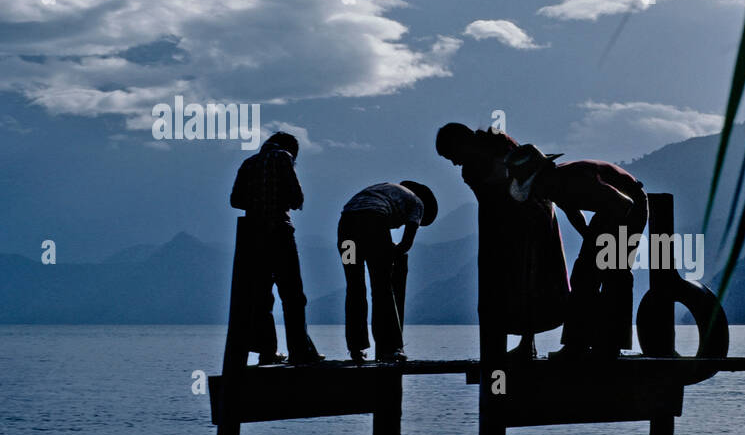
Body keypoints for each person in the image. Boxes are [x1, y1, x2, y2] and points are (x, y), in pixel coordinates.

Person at [435, 123, 569, 359]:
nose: (454, 163)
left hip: (524, 222)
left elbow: (503, 195)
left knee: (528, 279)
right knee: (520, 282)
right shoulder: (492, 152)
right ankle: (526, 344)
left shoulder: (493, 151)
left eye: (452, 156)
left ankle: (527, 344)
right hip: (518, 221)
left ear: (461, 144)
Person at [505, 145, 647, 357]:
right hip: (608, 211)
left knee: (615, 275)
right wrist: (589, 238)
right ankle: (576, 345)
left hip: (629, 208)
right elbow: (574, 213)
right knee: (583, 275)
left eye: (534, 186)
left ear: (541, 177)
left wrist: (604, 244)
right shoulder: (554, 188)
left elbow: (623, 204)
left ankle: (610, 346)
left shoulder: (576, 178)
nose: (536, 193)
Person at [229, 131, 323, 365]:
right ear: (291, 149)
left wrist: (256, 201)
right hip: (279, 230)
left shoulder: (248, 163)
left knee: (261, 296)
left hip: (252, 236)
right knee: (293, 295)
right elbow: (296, 198)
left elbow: (235, 200)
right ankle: (299, 351)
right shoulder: (283, 157)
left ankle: (267, 351)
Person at [338, 180, 437, 363]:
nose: (398, 226)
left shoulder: (385, 189)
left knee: (354, 286)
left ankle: (356, 348)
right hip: (373, 222)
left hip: (346, 228)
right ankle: (390, 348)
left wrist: (384, 247)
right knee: (382, 286)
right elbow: (405, 245)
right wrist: (390, 251)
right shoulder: (418, 203)